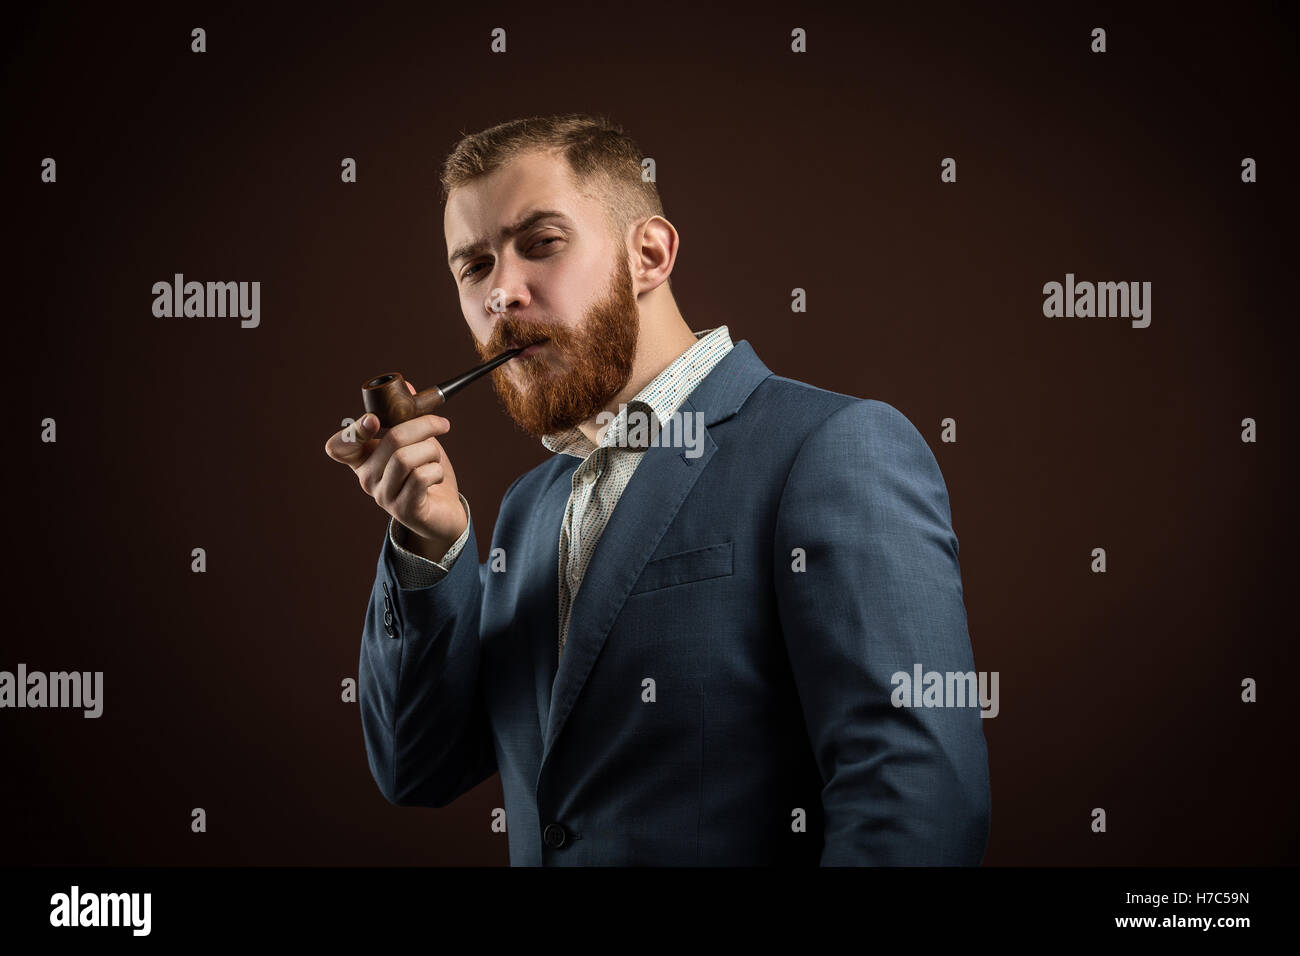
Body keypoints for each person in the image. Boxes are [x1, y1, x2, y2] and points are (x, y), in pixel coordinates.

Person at [324, 113, 990, 866]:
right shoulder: (526, 512)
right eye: (473, 267)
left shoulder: (829, 449)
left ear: (649, 253)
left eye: (540, 243)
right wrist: (428, 543)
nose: (502, 293)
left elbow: (916, 803)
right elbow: (420, 768)